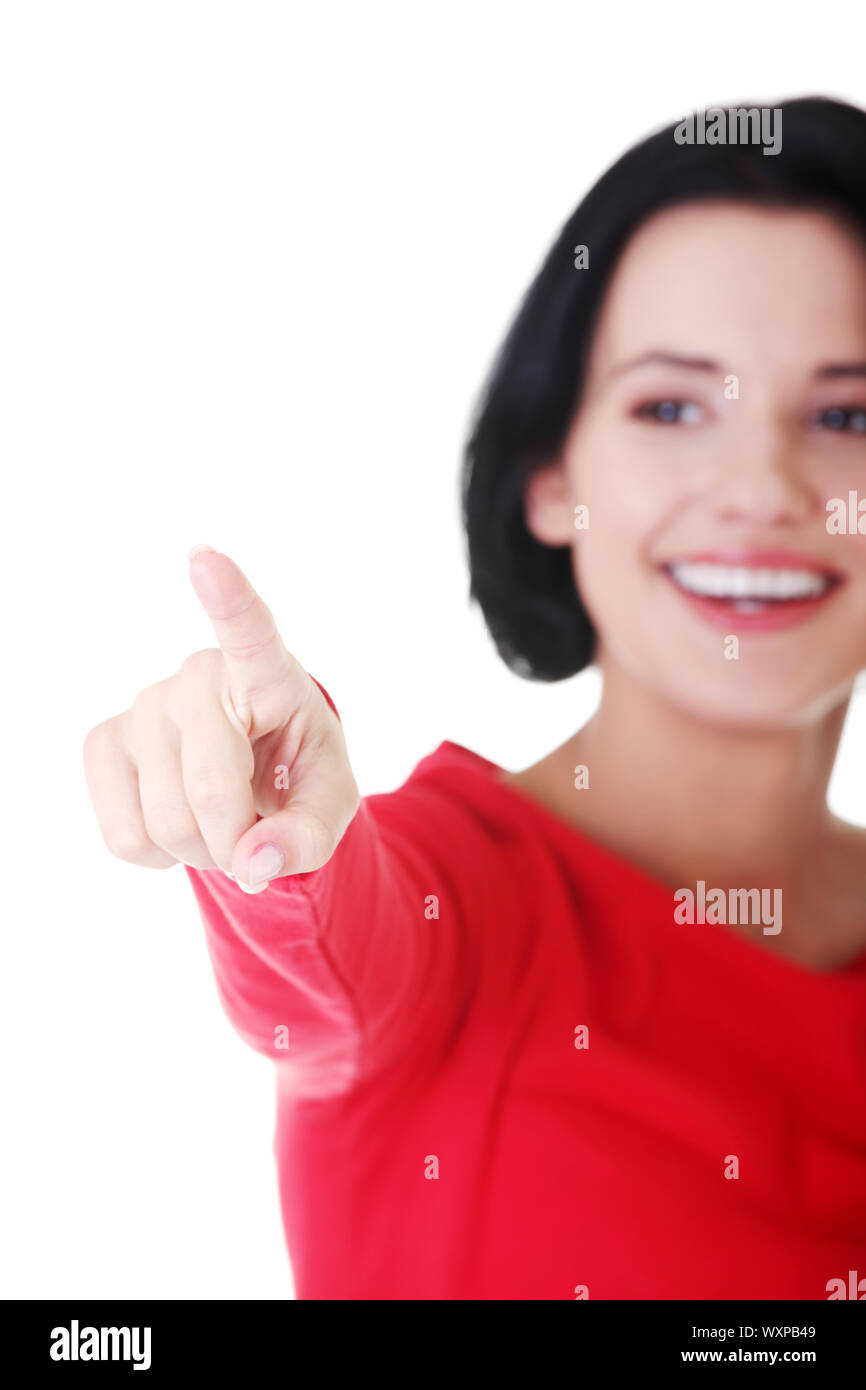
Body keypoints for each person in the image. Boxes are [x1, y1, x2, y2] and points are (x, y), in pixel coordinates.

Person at [84, 95, 866, 1299]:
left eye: (844, 414)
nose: (759, 483)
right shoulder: (457, 914)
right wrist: (269, 833)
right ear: (550, 478)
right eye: (669, 407)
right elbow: (331, 952)